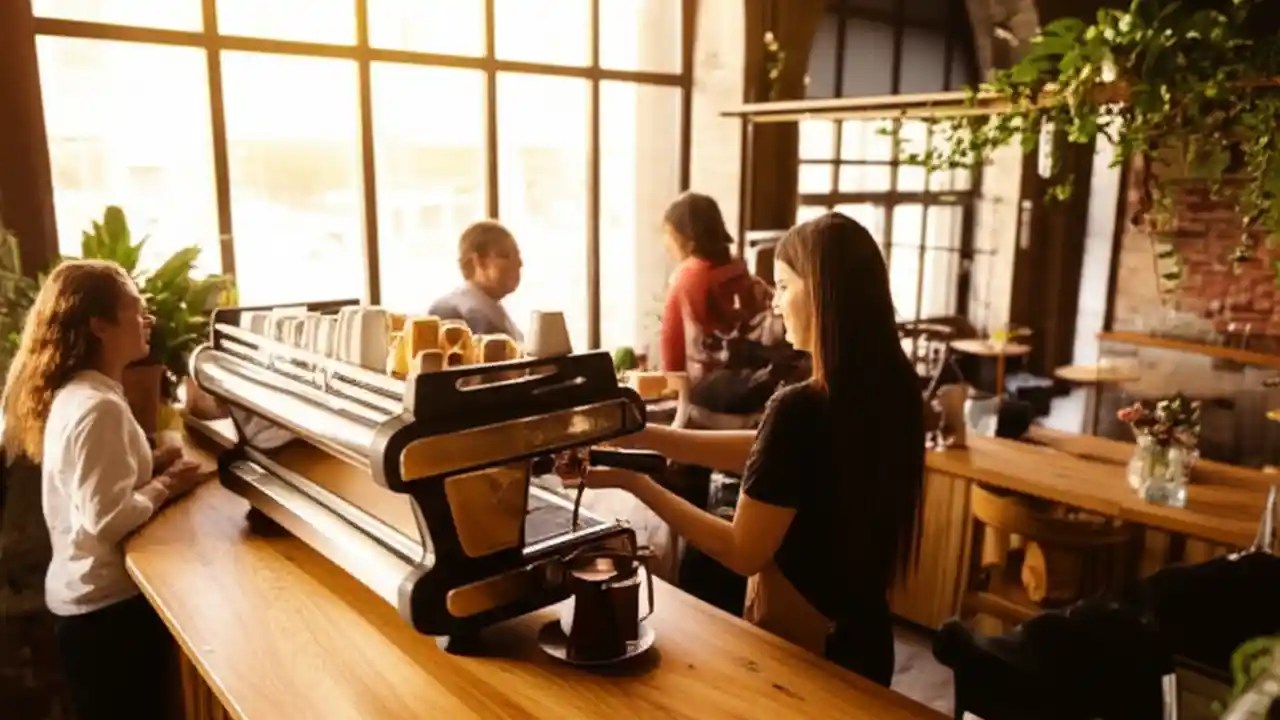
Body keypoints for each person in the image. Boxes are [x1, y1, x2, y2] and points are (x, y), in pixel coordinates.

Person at [574, 212, 925, 685]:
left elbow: (743, 551)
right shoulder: (892, 390)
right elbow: (777, 455)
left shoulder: (801, 405)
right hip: (866, 642)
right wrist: (648, 438)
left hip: (805, 653)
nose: (776, 304)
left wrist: (633, 482)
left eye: (783, 286)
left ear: (821, 292)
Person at [1, 260, 210, 720]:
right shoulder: (98, 408)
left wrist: (150, 463)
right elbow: (107, 519)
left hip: (86, 606)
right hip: (105, 613)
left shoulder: (81, 394)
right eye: (136, 311)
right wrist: (165, 485)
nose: (147, 321)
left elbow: (90, 479)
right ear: (98, 324)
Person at [658, 192, 802, 420]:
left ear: (687, 239)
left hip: (707, 404)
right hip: (756, 395)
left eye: (669, 236)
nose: (666, 245)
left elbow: (672, 351)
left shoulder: (686, 277)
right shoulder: (739, 269)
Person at [428, 220, 524, 341]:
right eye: (506, 256)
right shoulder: (449, 312)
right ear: (479, 262)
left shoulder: (495, 310)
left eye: (518, 256)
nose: (520, 264)